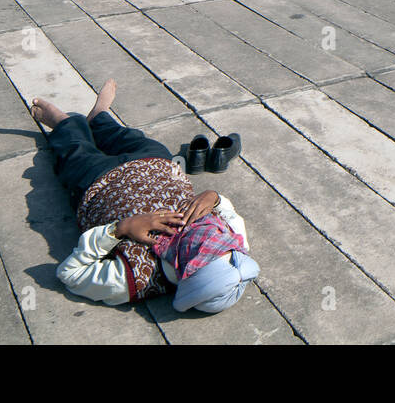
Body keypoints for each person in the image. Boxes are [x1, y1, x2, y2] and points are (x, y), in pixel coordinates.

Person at [31, 78, 259, 313]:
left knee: (76, 151)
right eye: (223, 243)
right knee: (131, 138)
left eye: (206, 248)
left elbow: (70, 273)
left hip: (99, 182)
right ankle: (99, 116)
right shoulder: (234, 245)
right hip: (156, 163)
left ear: (187, 269)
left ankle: (64, 123)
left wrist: (120, 228)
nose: (213, 234)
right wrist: (214, 198)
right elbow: (230, 215)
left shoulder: (135, 277)